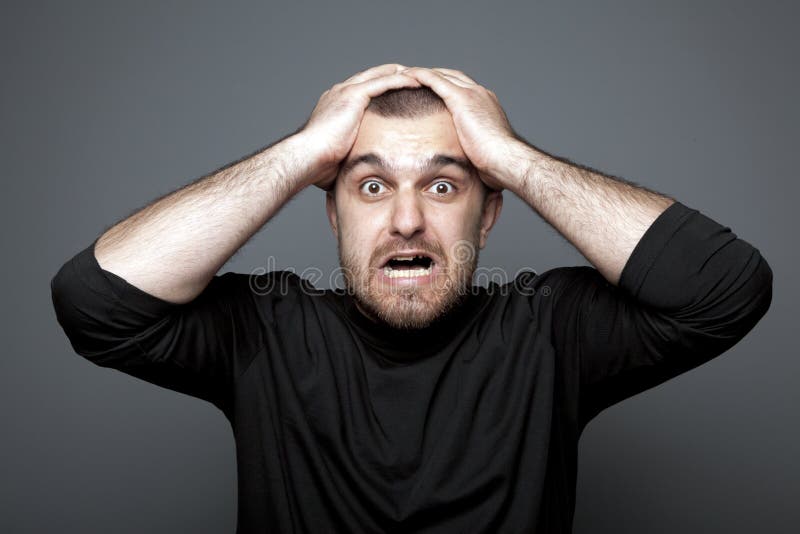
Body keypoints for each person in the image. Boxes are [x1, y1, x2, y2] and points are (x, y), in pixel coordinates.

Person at [50, 63, 773, 533]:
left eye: (443, 185)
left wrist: (513, 159)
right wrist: (299, 153)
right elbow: (94, 302)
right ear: (332, 214)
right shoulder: (265, 331)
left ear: (487, 216)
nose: (405, 219)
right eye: (371, 186)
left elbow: (727, 290)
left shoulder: (550, 332)